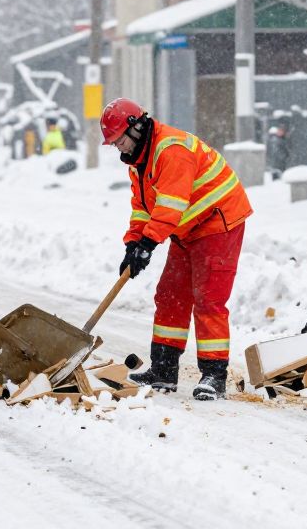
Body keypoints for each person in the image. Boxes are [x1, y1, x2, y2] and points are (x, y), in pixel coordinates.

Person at [101, 98, 252, 401]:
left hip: (217, 221)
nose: (119, 148)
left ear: (136, 127)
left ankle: (214, 374)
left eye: (120, 141)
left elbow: (171, 205)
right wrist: (133, 243)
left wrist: (148, 243)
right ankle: (164, 370)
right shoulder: (139, 161)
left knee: (208, 298)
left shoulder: (171, 151)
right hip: (186, 228)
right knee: (171, 294)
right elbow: (144, 207)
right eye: (114, 144)